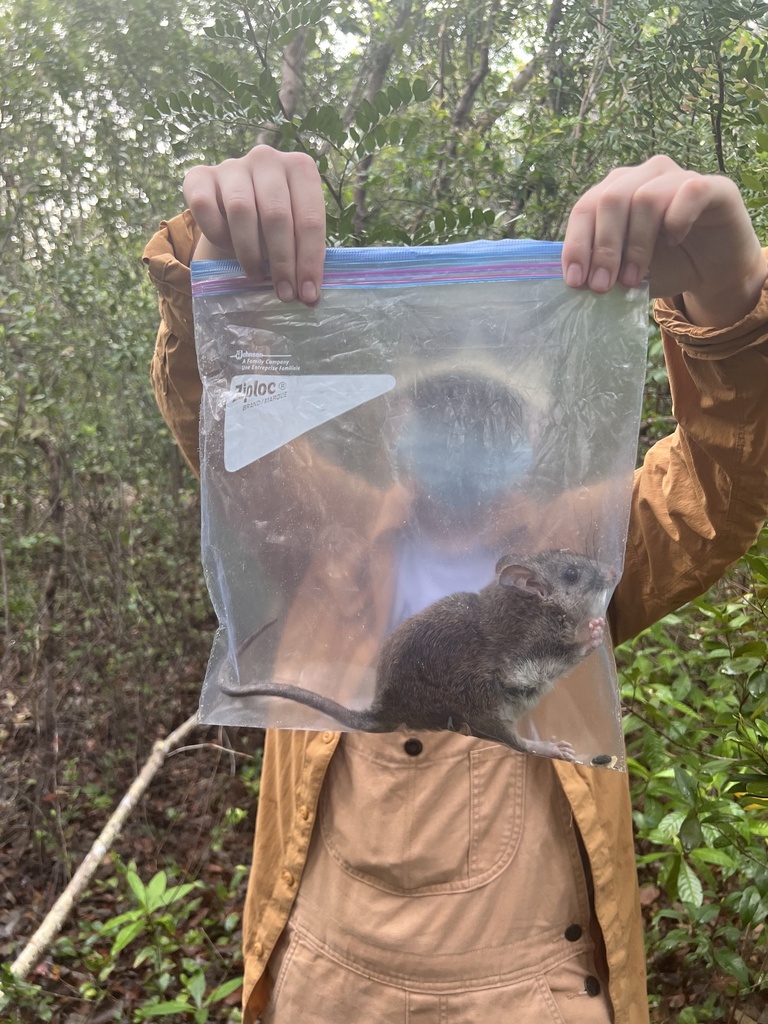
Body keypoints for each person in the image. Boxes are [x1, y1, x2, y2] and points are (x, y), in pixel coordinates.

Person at [143, 148, 768, 1024]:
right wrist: (212, 285)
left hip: (532, 988)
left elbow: (715, 490)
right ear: (397, 418)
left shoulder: (577, 545)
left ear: (540, 426)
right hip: (331, 974)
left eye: (495, 412)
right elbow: (226, 429)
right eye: (442, 407)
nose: (467, 431)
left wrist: (733, 307)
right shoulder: (328, 527)